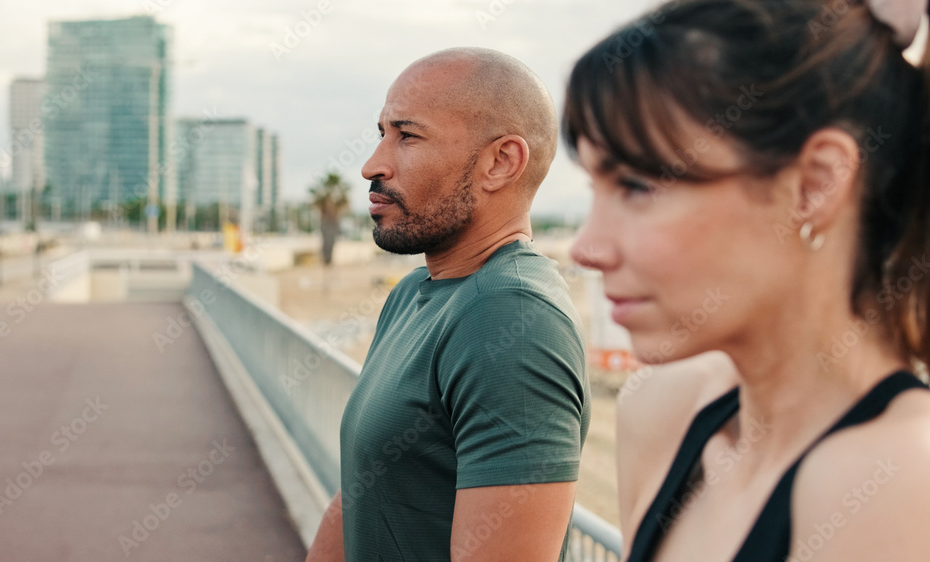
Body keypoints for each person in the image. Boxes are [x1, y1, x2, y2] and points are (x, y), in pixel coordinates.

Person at [563, 0, 930, 560]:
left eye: (637, 185)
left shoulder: (901, 480)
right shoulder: (663, 411)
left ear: (814, 184)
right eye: (595, 189)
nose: (587, 248)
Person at [304, 47, 591, 562]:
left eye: (407, 135)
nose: (373, 165)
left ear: (500, 162)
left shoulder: (511, 316)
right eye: (381, 133)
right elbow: (364, 489)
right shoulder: (412, 296)